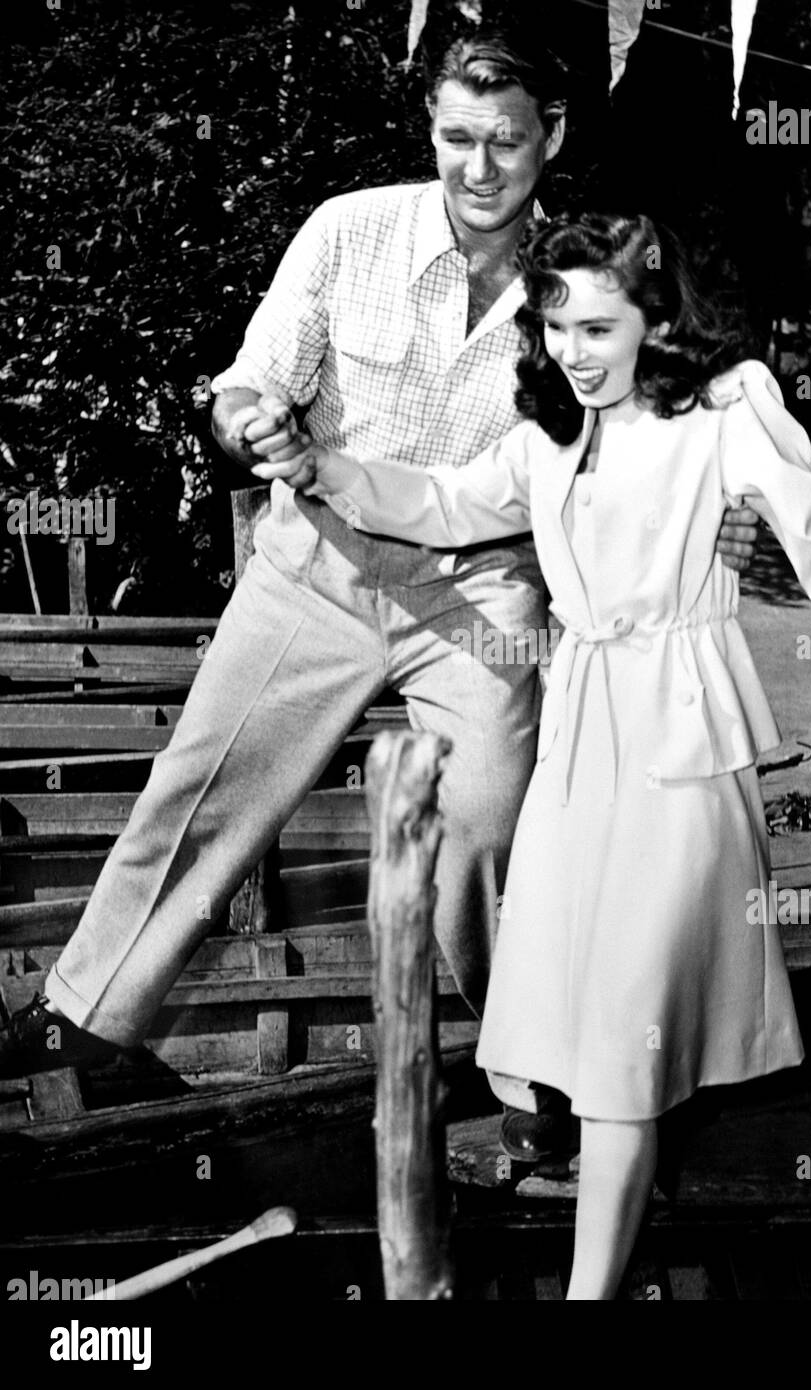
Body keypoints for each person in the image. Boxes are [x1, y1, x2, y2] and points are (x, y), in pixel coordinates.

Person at [0, 29, 760, 1163]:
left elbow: (646, 443)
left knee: (495, 827)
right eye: (458, 136)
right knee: (201, 784)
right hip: (320, 562)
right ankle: (88, 1020)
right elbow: (252, 379)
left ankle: (545, 1065)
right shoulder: (346, 231)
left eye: (507, 140)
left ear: (550, 137)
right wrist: (242, 415)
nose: (480, 166)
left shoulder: (588, 283)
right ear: (432, 130)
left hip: (482, 593)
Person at [256, 209, 811, 1299]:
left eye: (598, 326)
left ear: (655, 317)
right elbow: (443, 502)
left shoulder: (724, 412)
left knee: (625, 1054)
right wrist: (320, 466)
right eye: (554, 328)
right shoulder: (546, 432)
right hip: (580, 745)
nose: (572, 353)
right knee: (539, 1041)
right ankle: (589, 1169)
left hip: (683, 744)